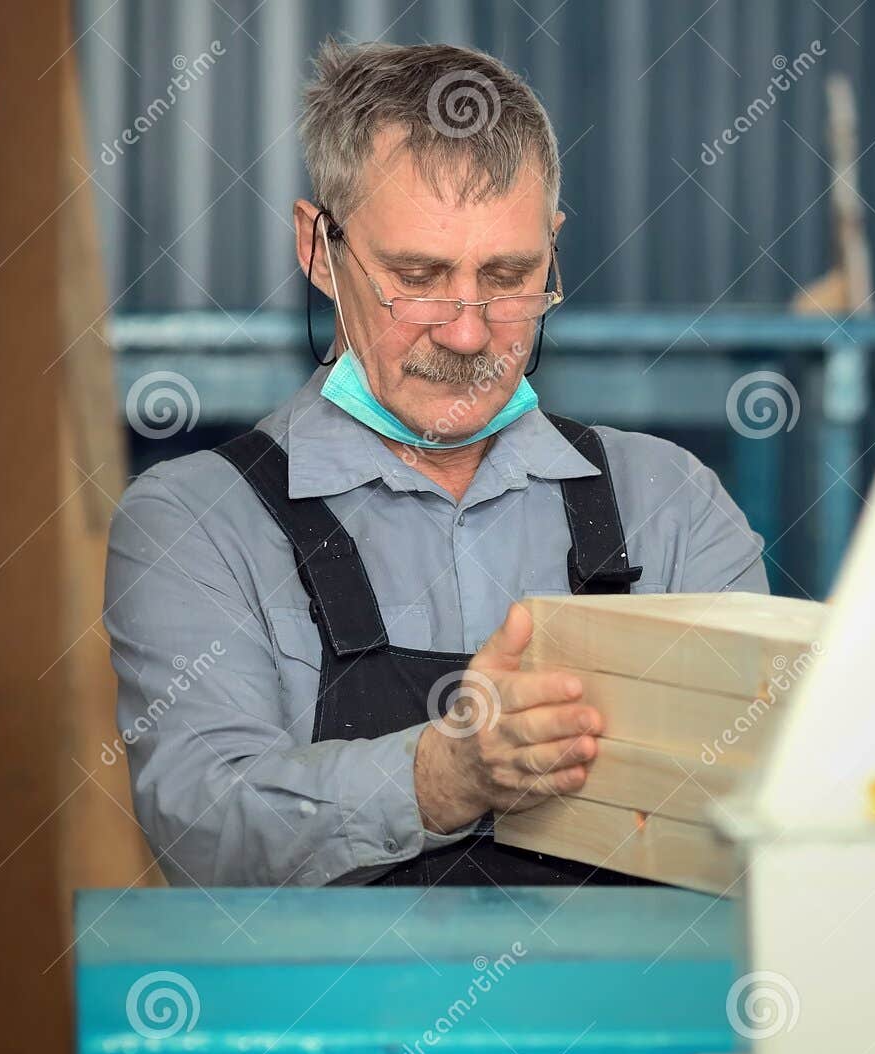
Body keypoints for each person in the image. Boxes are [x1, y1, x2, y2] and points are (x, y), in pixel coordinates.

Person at [103, 40, 767, 886]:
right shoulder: (195, 524)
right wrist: (442, 775)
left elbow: (765, 806)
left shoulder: (669, 506)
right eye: (417, 277)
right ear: (318, 251)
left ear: (553, 248)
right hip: (335, 1019)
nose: (466, 331)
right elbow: (203, 826)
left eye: (508, 276)